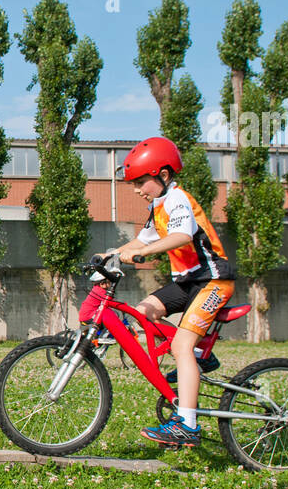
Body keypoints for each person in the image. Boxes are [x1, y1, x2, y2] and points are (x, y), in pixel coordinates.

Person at [101, 136, 235, 448]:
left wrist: (142, 256)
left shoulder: (178, 200)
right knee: (144, 311)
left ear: (162, 176)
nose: (136, 190)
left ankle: (187, 424)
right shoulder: (158, 206)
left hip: (213, 280)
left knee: (181, 346)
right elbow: (139, 243)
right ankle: (203, 356)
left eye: (140, 182)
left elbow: (180, 236)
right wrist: (108, 256)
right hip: (189, 283)